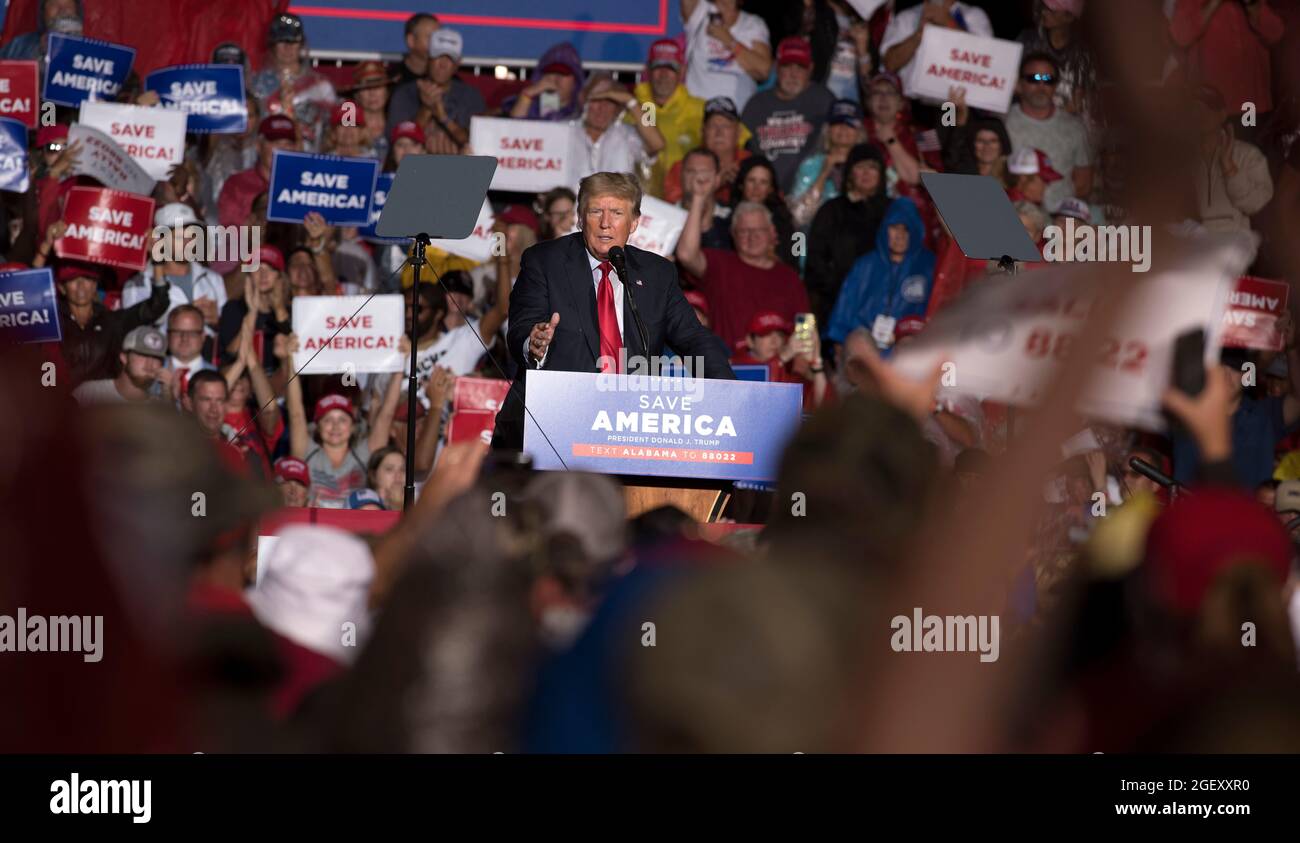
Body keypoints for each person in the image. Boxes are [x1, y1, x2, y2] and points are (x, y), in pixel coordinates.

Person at [493, 172, 736, 449]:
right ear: (580, 217)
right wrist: (533, 341)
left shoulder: (658, 274)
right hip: (549, 425)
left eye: (617, 213)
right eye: (596, 211)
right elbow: (521, 326)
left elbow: (694, 338)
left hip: (625, 428)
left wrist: (728, 391)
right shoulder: (544, 261)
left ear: (634, 222)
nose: (605, 223)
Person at [677, 198, 812, 351]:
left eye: (758, 230)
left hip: (778, 368)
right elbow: (686, 255)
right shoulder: (719, 263)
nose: (752, 236)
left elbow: (805, 325)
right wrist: (698, 198)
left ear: (772, 233)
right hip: (727, 367)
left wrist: (803, 361)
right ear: (733, 235)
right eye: (744, 231)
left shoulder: (789, 277)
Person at [827, 197, 935, 359]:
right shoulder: (865, 265)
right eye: (894, 228)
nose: (900, 235)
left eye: (906, 229)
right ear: (884, 229)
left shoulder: (928, 266)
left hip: (910, 356)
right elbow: (842, 315)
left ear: (916, 231)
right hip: (864, 355)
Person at [285, 371, 405, 508]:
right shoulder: (307, 452)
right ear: (317, 427)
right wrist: (291, 363)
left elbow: (386, 415)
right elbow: (295, 414)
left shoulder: (364, 454)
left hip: (356, 528)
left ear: (353, 426)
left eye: (342, 420)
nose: (335, 426)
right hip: (315, 527)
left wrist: (399, 369)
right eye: (328, 420)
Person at [806, 142, 890, 325]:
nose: (866, 173)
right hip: (839, 304)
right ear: (850, 173)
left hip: (888, 305)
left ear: (881, 174)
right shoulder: (831, 211)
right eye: (860, 167)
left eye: (872, 167)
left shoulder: (894, 210)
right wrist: (842, 287)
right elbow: (814, 261)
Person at [52, 256, 169, 386]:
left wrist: (157, 257)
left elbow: (157, 305)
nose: (81, 286)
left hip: (103, 403)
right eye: (72, 280)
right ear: (62, 288)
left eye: (87, 279)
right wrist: (43, 251)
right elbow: (27, 299)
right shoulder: (50, 323)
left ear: (95, 285)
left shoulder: (112, 322)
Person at [121, 203, 228, 341]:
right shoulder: (139, 285)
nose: (188, 242)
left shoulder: (213, 280)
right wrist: (188, 316)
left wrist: (218, 322)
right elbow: (135, 336)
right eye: (179, 236)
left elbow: (226, 335)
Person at [741, 37, 835, 193]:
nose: (793, 74)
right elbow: (743, 151)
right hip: (767, 195)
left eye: (800, 67)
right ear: (776, 68)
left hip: (812, 191)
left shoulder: (824, 101)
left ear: (810, 69)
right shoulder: (756, 105)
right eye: (787, 66)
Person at [1170, 0, 1283, 127]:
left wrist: (1252, 5)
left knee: (1249, 145)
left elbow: (1275, 34)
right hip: (1210, 106)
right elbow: (1181, 36)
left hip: (1250, 102)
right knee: (1218, 145)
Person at [1005, 52, 1093, 212]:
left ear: (1055, 86)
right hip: (1014, 217)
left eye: (1048, 80)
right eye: (1034, 79)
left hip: (1058, 224)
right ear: (1018, 84)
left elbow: (1083, 183)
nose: (1041, 86)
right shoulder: (1003, 123)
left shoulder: (1074, 127)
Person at [1190, 84, 1273, 235]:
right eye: (1195, 109)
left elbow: (1258, 204)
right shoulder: (1181, 158)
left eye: (1209, 108)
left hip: (1234, 246)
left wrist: (1230, 169)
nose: (1202, 114)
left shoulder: (1248, 154)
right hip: (1193, 249)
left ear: (1222, 114)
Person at [628, 39, 705, 198]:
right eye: (658, 66)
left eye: (671, 67)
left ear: (682, 71)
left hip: (686, 201)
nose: (663, 74)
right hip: (643, 202)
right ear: (648, 69)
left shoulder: (701, 110)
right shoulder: (633, 107)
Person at [249, 12, 337, 150]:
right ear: (272, 45)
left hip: (308, 161)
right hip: (266, 161)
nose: (287, 47)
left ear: (301, 44)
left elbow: (333, 132)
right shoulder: (256, 85)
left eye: (293, 41)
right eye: (282, 41)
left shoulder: (320, 86)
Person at [388, 28, 484, 153]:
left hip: (459, 169)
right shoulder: (404, 94)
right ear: (428, 58)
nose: (443, 64)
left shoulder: (471, 97)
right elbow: (399, 147)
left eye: (450, 59)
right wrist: (426, 108)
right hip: (413, 168)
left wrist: (443, 117)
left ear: (458, 63)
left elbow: (478, 146)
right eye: (438, 56)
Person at [571, 73, 665, 185]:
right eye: (596, 100)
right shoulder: (566, 132)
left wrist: (630, 101)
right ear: (584, 101)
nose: (602, 107)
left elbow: (657, 144)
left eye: (610, 101)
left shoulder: (626, 135)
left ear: (618, 110)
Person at [787, 99, 867, 229]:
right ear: (828, 130)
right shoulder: (811, 166)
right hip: (819, 240)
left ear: (859, 132)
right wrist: (823, 173)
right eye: (837, 123)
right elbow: (798, 217)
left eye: (850, 124)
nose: (843, 128)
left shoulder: (870, 164)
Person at [680, 0, 773, 111]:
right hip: (698, 114)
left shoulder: (753, 25)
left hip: (737, 115)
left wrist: (730, 41)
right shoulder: (700, 13)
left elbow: (764, 71)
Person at [730, 311, 832, 410]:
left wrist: (816, 362)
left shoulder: (785, 372)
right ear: (750, 341)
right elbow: (760, 397)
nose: (775, 341)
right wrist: (784, 356)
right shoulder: (732, 366)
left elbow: (821, 404)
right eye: (766, 334)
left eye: (780, 335)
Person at [662, 96, 752, 205]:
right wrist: (713, 185)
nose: (719, 132)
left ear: (739, 132)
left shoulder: (751, 165)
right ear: (702, 132)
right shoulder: (684, 168)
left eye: (726, 126)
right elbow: (672, 208)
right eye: (713, 126)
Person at [879, 0, 994, 81]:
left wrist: (949, 23)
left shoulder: (973, 16)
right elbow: (890, 65)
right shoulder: (907, 17)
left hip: (952, 105)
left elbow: (987, 62)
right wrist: (918, 34)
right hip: (915, 107)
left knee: (948, 115)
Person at [218, 115, 298, 229]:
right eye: (275, 143)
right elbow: (230, 237)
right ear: (258, 146)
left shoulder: (304, 186)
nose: (282, 149)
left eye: (288, 144)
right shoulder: (237, 185)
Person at [1017, 0, 1095, 115]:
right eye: (1044, 8)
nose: (1044, 12)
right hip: (1028, 114)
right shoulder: (1028, 41)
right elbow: (1011, 82)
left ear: (1069, 17)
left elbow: (1085, 96)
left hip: (1066, 123)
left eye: (1051, 10)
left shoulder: (1083, 54)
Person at [217, 245, 289, 368]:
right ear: (249, 275)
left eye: (270, 269)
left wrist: (279, 309)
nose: (263, 274)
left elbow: (295, 355)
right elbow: (230, 356)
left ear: (280, 277)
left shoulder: (290, 311)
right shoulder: (233, 309)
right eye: (257, 268)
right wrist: (252, 313)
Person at [730, 156, 798, 269]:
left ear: (771, 188)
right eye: (751, 180)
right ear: (741, 184)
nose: (756, 188)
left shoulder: (786, 221)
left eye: (763, 182)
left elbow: (798, 251)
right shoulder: (726, 217)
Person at [72, 326, 168, 405]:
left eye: (156, 358)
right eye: (143, 355)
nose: (150, 365)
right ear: (124, 357)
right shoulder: (89, 394)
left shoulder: (160, 408)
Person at [506, 42, 585, 121]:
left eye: (563, 73)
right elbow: (514, 128)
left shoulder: (585, 110)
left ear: (575, 80)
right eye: (551, 72)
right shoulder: (529, 105)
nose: (555, 79)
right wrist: (526, 95)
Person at [155, 305, 216, 404]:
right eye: (177, 332)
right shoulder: (152, 374)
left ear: (203, 336)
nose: (184, 338)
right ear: (167, 335)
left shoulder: (217, 375)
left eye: (192, 333)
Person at [679, 148, 734, 252]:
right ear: (681, 175)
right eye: (691, 172)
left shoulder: (733, 219)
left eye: (705, 173)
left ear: (717, 179)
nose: (698, 178)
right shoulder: (663, 216)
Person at [0, 0, 81, 60]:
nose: (62, 10)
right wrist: (38, 53)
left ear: (77, 11)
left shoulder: (90, 48)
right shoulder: (18, 46)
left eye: (68, 4)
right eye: (53, 4)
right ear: (43, 12)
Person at [347, 62, 392, 162]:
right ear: (357, 95)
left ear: (387, 91)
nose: (372, 93)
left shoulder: (397, 126)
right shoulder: (348, 132)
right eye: (366, 88)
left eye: (377, 87)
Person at [390, 12, 441, 87]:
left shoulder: (450, 82)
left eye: (439, 38)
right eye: (430, 37)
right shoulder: (391, 80)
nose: (436, 43)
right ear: (411, 40)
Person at [367, 447, 406, 512]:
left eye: (402, 469)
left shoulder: (418, 502)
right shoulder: (364, 501)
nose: (398, 475)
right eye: (389, 469)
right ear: (373, 475)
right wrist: (397, 505)